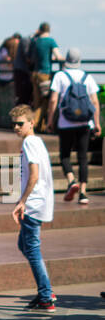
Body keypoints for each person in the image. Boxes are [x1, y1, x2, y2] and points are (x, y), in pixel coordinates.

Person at [10, 104, 56, 310]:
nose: (17, 128)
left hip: (34, 203)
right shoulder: (37, 141)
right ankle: (46, 291)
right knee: (25, 246)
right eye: (14, 125)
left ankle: (46, 295)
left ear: (31, 123)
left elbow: (34, 175)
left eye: (20, 124)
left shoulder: (29, 142)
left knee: (32, 249)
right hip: (39, 201)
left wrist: (22, 202)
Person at [47, 48, 101, 206]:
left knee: (65, 155)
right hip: (85, 123)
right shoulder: (87, 77)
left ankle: (71, 181)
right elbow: (95, 102)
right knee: (83, 157)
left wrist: (50, 120)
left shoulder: (60, 76)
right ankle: (83, 193)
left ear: (66, 61)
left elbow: (53, 100)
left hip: (66, 122)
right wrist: (96, 123)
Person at [29, 23, 63, 132]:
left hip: (35, 74)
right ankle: (34, 124)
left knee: (37, 101)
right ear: (49, 29)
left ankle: (40, 126)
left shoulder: (36, 41)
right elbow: (58, 56)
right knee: (45, 101)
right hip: (45, 74)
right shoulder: (50, 41)